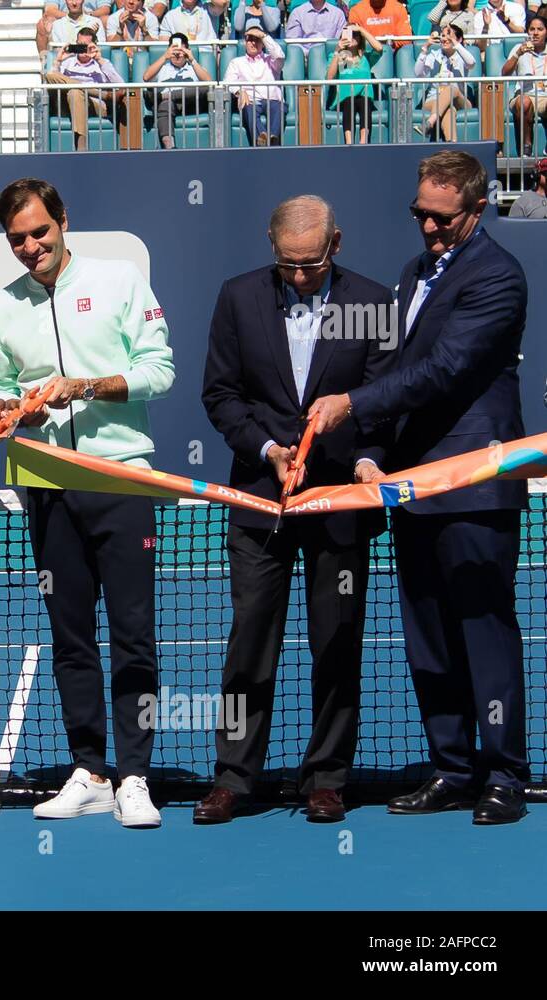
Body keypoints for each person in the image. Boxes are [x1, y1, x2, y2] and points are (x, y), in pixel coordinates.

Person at [308, 150, 530, 826]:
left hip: (472, 481)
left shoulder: (499, 277)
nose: (428, 229)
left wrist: (350, 405)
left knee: (483, 629)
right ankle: (452, 766)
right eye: (419, 215)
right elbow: (399, 370)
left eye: (441, 218)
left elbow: (443, 370)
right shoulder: (411, 276)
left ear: (476, 208)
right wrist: (374, 453)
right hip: (409, 487)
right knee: (426, 632)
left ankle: (503, 775)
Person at [0, 178, 174, 829]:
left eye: (40, 231)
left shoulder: (120, 281)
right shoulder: (1, 307)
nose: (31, 247)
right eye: (18, 240)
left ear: (63, 220)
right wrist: (18, 408)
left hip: (121, 480)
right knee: (70, 636)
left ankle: (136, 775)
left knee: (133, 635)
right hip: (44, 483)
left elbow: (159, 369)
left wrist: (86, 386)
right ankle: (90, 770)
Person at [196, 196, 394, 825]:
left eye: (311, 264)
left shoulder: (373, 303)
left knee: (336, 641)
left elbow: (387, 399)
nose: (301, 276)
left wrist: (367, 460)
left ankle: (327, 777)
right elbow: (221, 394)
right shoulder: (237, 297)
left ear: (337, 243)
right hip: (261, 497)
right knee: (250, 640)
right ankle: (233, 776)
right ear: (271, 247)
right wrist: (267, 448)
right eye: (289, 265)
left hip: (338, 503)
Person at [44, 26, 125, 151]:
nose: (82, 49)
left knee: (75, 92)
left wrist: (99, 59)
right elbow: (51, 79)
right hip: (68, 103)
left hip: (94, 104)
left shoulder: (102, 64)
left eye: (86, 45)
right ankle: (102, 94)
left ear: (94, 45)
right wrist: (58, 62)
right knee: (61, 82)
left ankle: (81, 147)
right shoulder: (66, 63)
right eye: (79, 45)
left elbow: (121, 86)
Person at [144, 31, 210, 148]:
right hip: (168, 106)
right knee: (165, 104)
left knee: (204, 88)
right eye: (175, 50)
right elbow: (146, 77)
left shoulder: (193, 67)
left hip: (191, 104)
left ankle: (166, 95)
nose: (178, 54)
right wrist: (165, 57)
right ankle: (170, 146)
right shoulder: (163, 68)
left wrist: (192, 60)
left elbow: (209, 83)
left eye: (181, 50)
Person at [224, 25, 284, 146]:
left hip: (272, 99)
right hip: (250, 100)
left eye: (257, 39)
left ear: (263, 43)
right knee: (248, 106)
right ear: (245, 42)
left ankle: (270, 139)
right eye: (250, 39)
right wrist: (239, 91)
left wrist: (263, 35)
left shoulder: (271, 60)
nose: (253, 43)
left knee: (279, 107)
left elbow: (279, 55)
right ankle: (263, 139)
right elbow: (228, 82)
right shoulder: (236, 62)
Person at [415, 24, 475, 143]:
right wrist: (425, 48)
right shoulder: (434, 55)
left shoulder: (462, 54)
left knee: (452, 88)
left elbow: (471, 63)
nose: (445, 38)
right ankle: (452, 147)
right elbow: (418, 73)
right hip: (433, 99)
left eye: (449, 35)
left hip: (459, 100)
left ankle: (430, 122)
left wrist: (456, 44)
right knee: (449, 110)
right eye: (443, 35)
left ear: (459, 39)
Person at [327, 23, 382, 145]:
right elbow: (329, 78)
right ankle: (349, 142)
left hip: (364, 98)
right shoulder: (338, 57)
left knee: (364, 101)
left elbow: (379, 48)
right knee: (350, 102)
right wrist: (337, 51)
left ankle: (363, 141)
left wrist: (361, 29)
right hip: (344, 99)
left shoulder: (366, 58)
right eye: (348, 34)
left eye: (355, 35)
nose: (351, 37)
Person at [503, 14, 547, 157]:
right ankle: (526, 146)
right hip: (524, 96)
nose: (535, 33)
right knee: (524, 101)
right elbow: (504, 73)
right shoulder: (518, 48)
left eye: (540, 29)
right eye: (532, 29)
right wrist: (518, 54)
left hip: (545, 97)